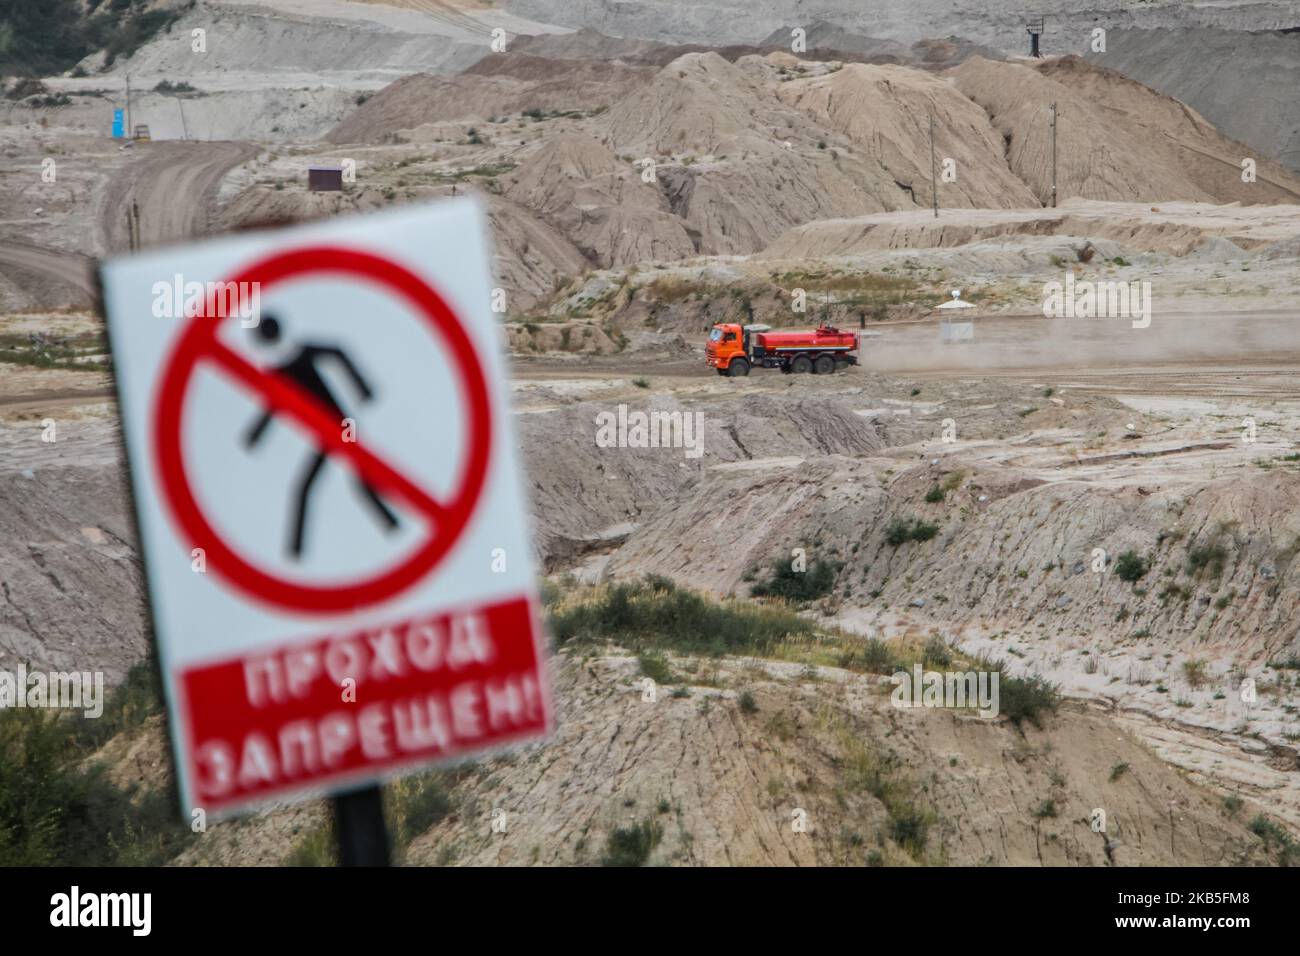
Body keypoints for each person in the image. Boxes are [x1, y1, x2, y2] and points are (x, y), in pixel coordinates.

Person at [244, 314, 400, 558]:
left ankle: (396, 530)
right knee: (316, 487)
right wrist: (255, 435)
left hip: (340, 428)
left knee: (354, 483)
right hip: (329, 433)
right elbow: (274, 407)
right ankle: (296, 553)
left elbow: (338, 352)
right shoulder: (281, 373)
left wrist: (363, 389)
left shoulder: (297, 358)